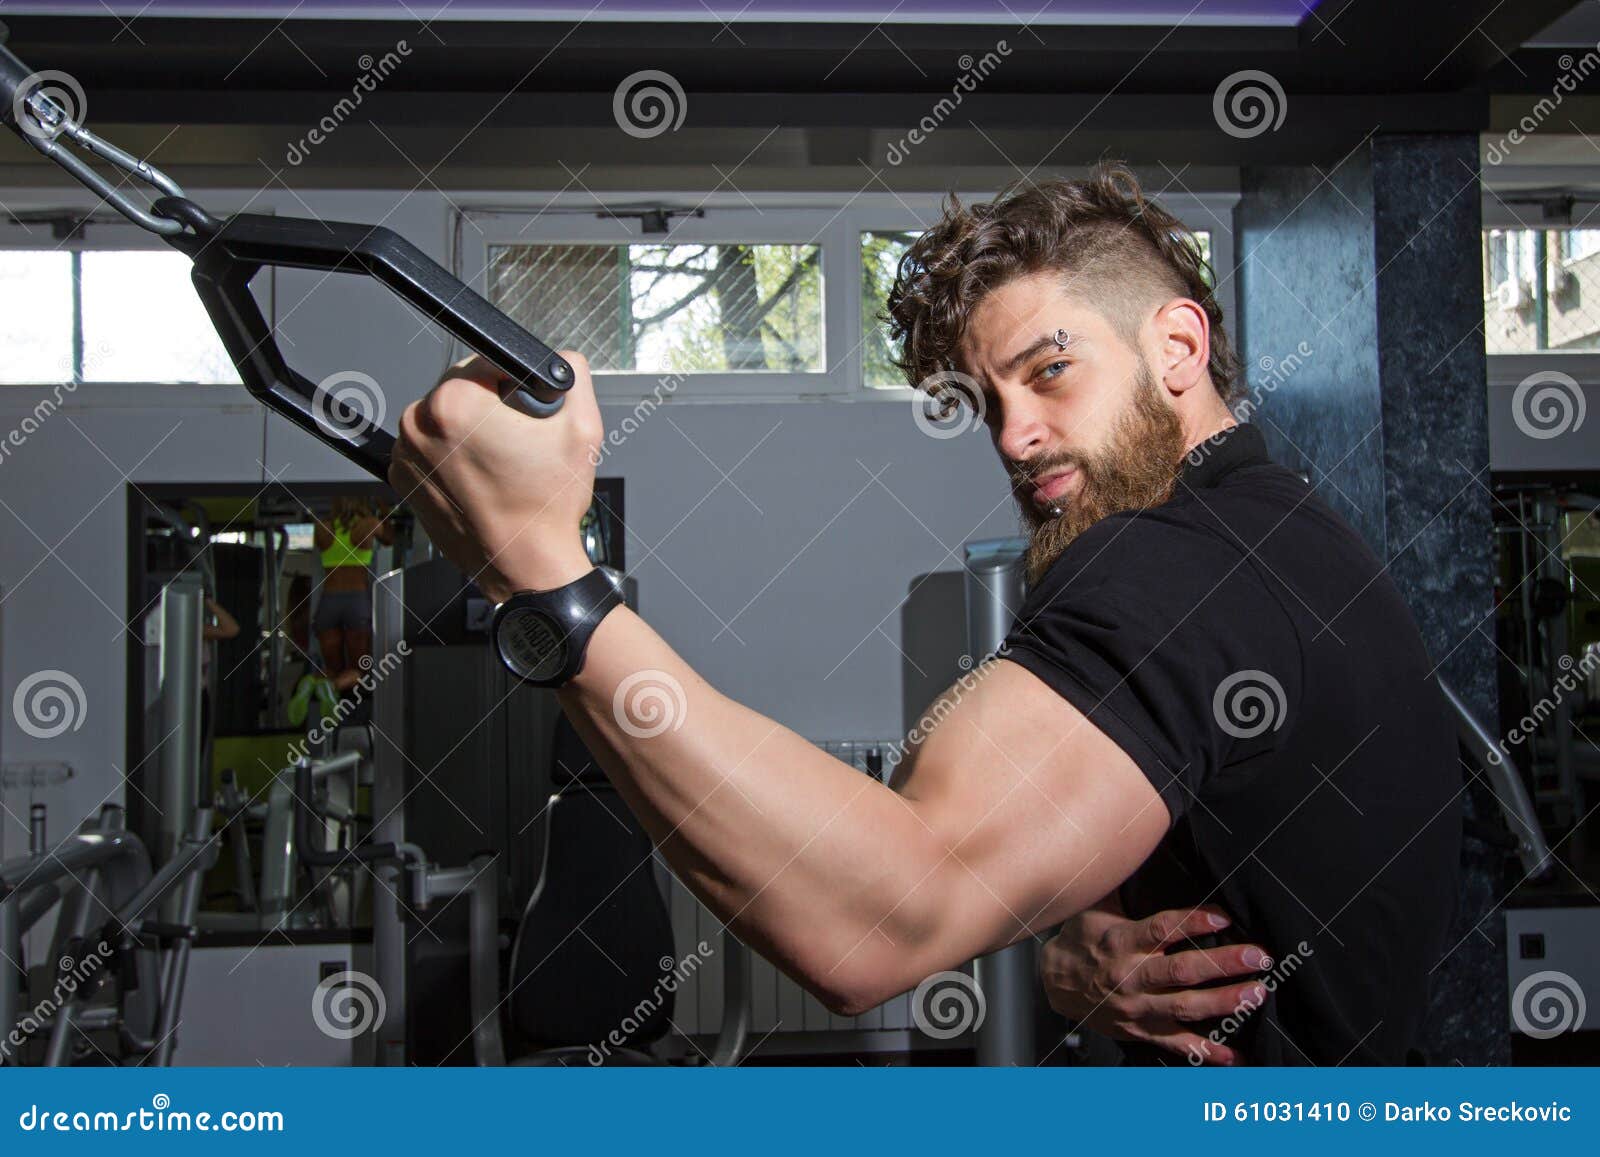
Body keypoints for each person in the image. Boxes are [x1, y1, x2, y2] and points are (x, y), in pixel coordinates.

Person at [386, 162, 1462, 1066]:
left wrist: (544, 578)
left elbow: (873, 921)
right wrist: (1068, 940)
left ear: (1176, 347)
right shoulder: (1275, 530)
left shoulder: (1179, 564)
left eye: (1051, 371)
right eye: (990, 403)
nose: (1016, 436)